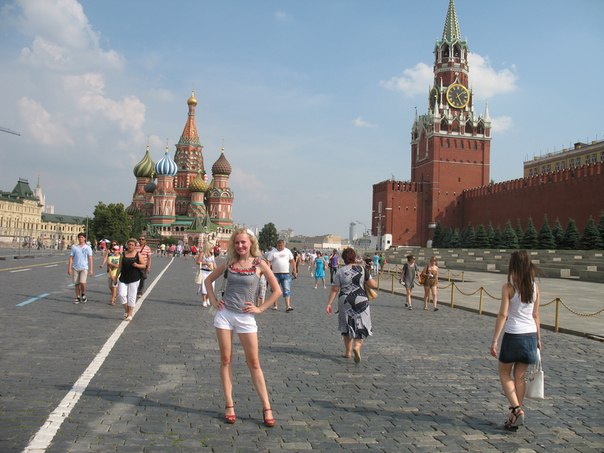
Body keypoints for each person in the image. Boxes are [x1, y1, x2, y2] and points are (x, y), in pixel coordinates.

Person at [204, 228, 282, 427]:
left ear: (251, 243)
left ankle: (266, 406)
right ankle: (229, 404)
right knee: (226, 359)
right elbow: (208, 280)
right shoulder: (230, 262)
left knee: (254, 362)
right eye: (237, 242)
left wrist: (260, 308)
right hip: (225, 315)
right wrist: (213, 300)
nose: (240, 246)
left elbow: (277, 291)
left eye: (243, 242)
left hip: (246, 317)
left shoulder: (260, 264)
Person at [490, 250, 541, 430]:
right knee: (520, 376)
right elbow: (535, 315)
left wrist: (495, 340)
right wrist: (538, 339)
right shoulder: (535, 287)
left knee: (504, 373)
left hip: (513, 335)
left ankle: (517, 410)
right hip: (530, 335)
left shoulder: (509, 287)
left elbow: (503, 314)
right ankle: (515, 415)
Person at [326, 247, 377, 363]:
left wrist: (329, 304)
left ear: (344, 259)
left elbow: (334, 289)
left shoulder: (340, 271)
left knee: (346, 325)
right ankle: (357, 346)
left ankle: (348, 352)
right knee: (362, 324)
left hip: (345, 299)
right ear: (354, 257)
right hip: (361, 299)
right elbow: (373, 285)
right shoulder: (362, 269)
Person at [116, 238, 146, 321]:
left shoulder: (138, 254)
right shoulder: (123, 254)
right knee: (121, 294)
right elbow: (119, 267)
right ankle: (126, 309)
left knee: (131, 297)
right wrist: (116, 277)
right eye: (129, 244)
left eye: (132, 245)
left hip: (134, 278)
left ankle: (130, 314)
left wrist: (137, 265)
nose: (130, 246)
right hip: (123, 277)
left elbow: (144, 265)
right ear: (127, 245)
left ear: (135, 246)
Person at [267, 239, 297, 311]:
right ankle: (275, 305)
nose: (280, 247)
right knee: (274, 290)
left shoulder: (287, 251)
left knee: (287, 290)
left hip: (286, 274)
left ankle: (288, 306)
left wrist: (294, 270)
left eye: (281, 246)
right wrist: (269, 269)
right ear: (276, 245)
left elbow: (292, 261)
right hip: (275, 274)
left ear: (284, 245)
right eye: (279, 246)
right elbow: (268, 261)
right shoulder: (273, 252)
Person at [67, 232, 93, 304]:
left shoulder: (88, 248)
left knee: (82, 282)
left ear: (84, 238)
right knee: (76, 283)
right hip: (75, 267)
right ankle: (77, 297)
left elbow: (90, 258)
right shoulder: (74, 247)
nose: (80, 238)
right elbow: (71, 258)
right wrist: (69, 268)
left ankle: (83, 293)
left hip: (84, 267)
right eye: (79, 237)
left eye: (82, 237)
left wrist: (91, 269)